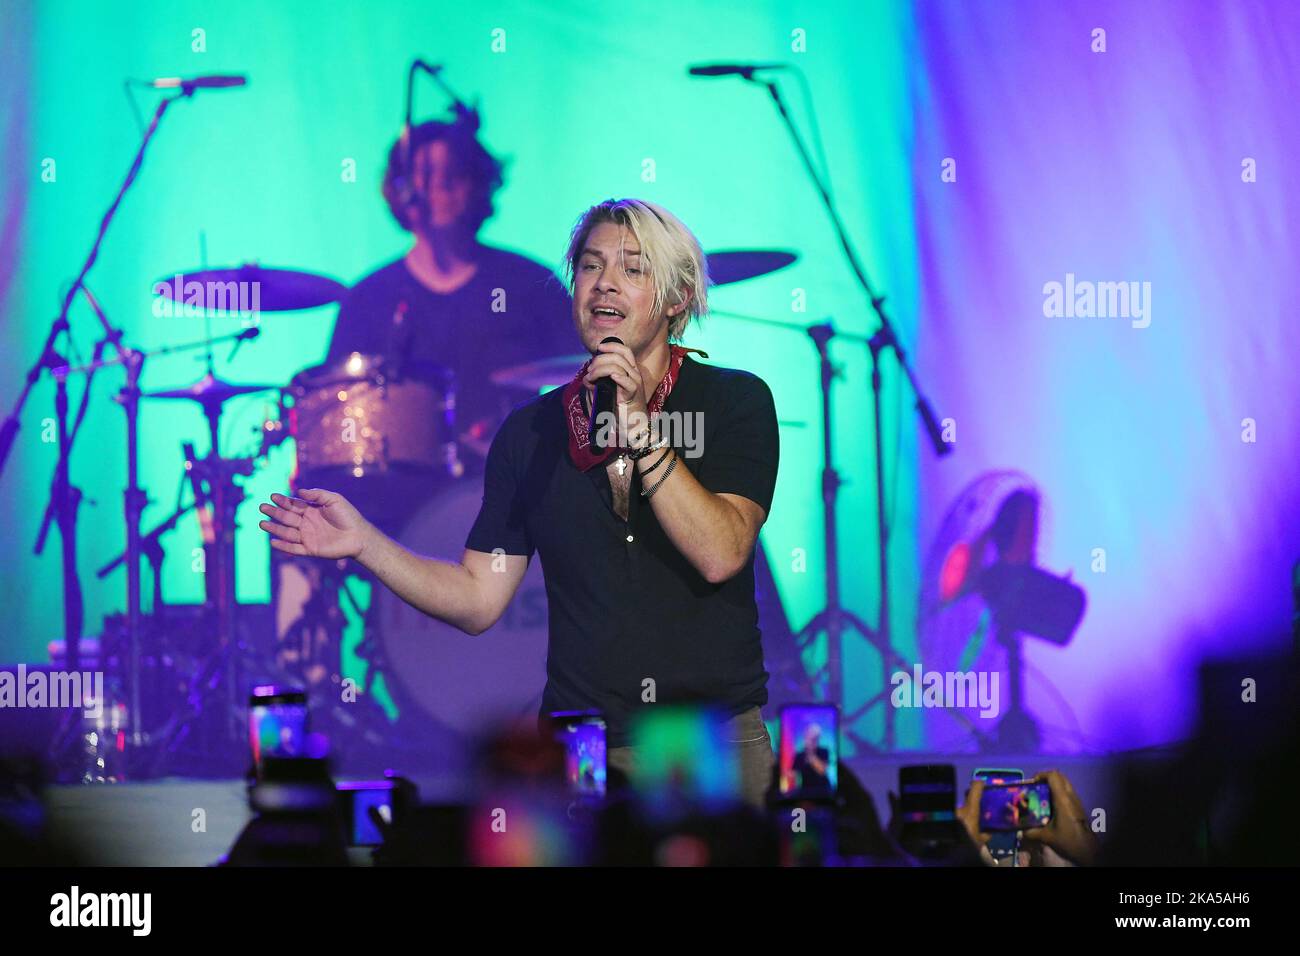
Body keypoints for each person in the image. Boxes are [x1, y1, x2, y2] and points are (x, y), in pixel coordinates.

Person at [260, 198, 780, 809]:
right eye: (590, 267)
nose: (604, 283)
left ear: (677, 299)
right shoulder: (532, 432)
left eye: (633, 269)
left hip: (704, 741)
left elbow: (721, 552)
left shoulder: (733, 401)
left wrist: (640, 429)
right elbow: (478, 598)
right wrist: (366, 544)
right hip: (578, 747)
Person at [326, 117, 574, 460]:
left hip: (514, 479)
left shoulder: (531, 285)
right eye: (426, 177)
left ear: (478, 185)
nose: (439, 189)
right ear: (401, 190)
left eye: (452, 176)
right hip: (399, 491)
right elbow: (335, 410)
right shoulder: (368, 298)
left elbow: (587, 377)